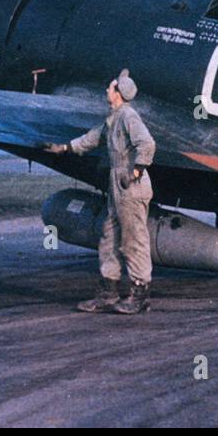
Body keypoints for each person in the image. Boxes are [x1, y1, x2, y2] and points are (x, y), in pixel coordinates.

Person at [45, 69, 156, 314]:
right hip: (117, 184)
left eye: (110, 87)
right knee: (109, 238)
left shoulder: (129, 116)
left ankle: (140, 295)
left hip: (130, 184)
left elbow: (146, 144)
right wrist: (64, 148)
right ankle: (108, 291)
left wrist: (135, 172)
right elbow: (92, 138)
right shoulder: (113, 118)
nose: (106, 90)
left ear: (118, 93)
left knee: (133, 239)